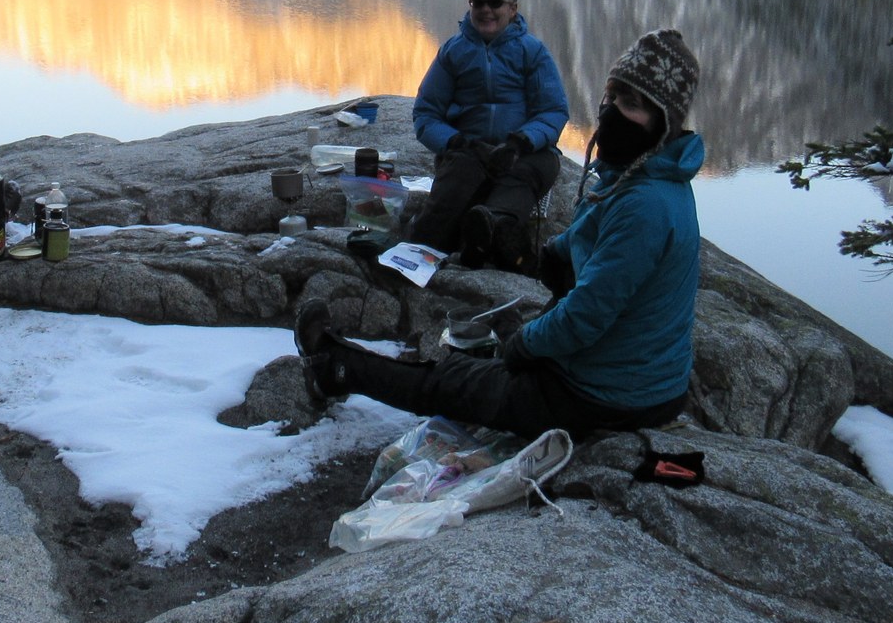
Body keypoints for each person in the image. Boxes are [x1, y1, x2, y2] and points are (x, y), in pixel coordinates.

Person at [298, 28, 703, 439]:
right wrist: (554, 256)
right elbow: (593, 241)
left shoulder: (645, 205)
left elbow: (585, 317)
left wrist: (524, 345)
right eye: (613, 97)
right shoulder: (643, 177)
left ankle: (335, 367)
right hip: (638, 379)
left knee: (453, 380)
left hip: (606, 396)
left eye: (631, 104)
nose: (612, 112)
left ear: (663, 122)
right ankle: (489, 243)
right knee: (497, 350)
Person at [406, 0, 569, 270]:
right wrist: (457, 141)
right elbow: (426, 114)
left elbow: (554, 112)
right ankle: (431, 244)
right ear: (470, 7)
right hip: (469, 151)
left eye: (494, 2)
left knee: (533, 169)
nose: (486, 10)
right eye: (478, 2)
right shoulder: (453, 52)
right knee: (459, 176)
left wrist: (521, 141)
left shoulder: (532, 52)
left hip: (521, 152)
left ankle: (490, 227)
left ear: (512, 8)